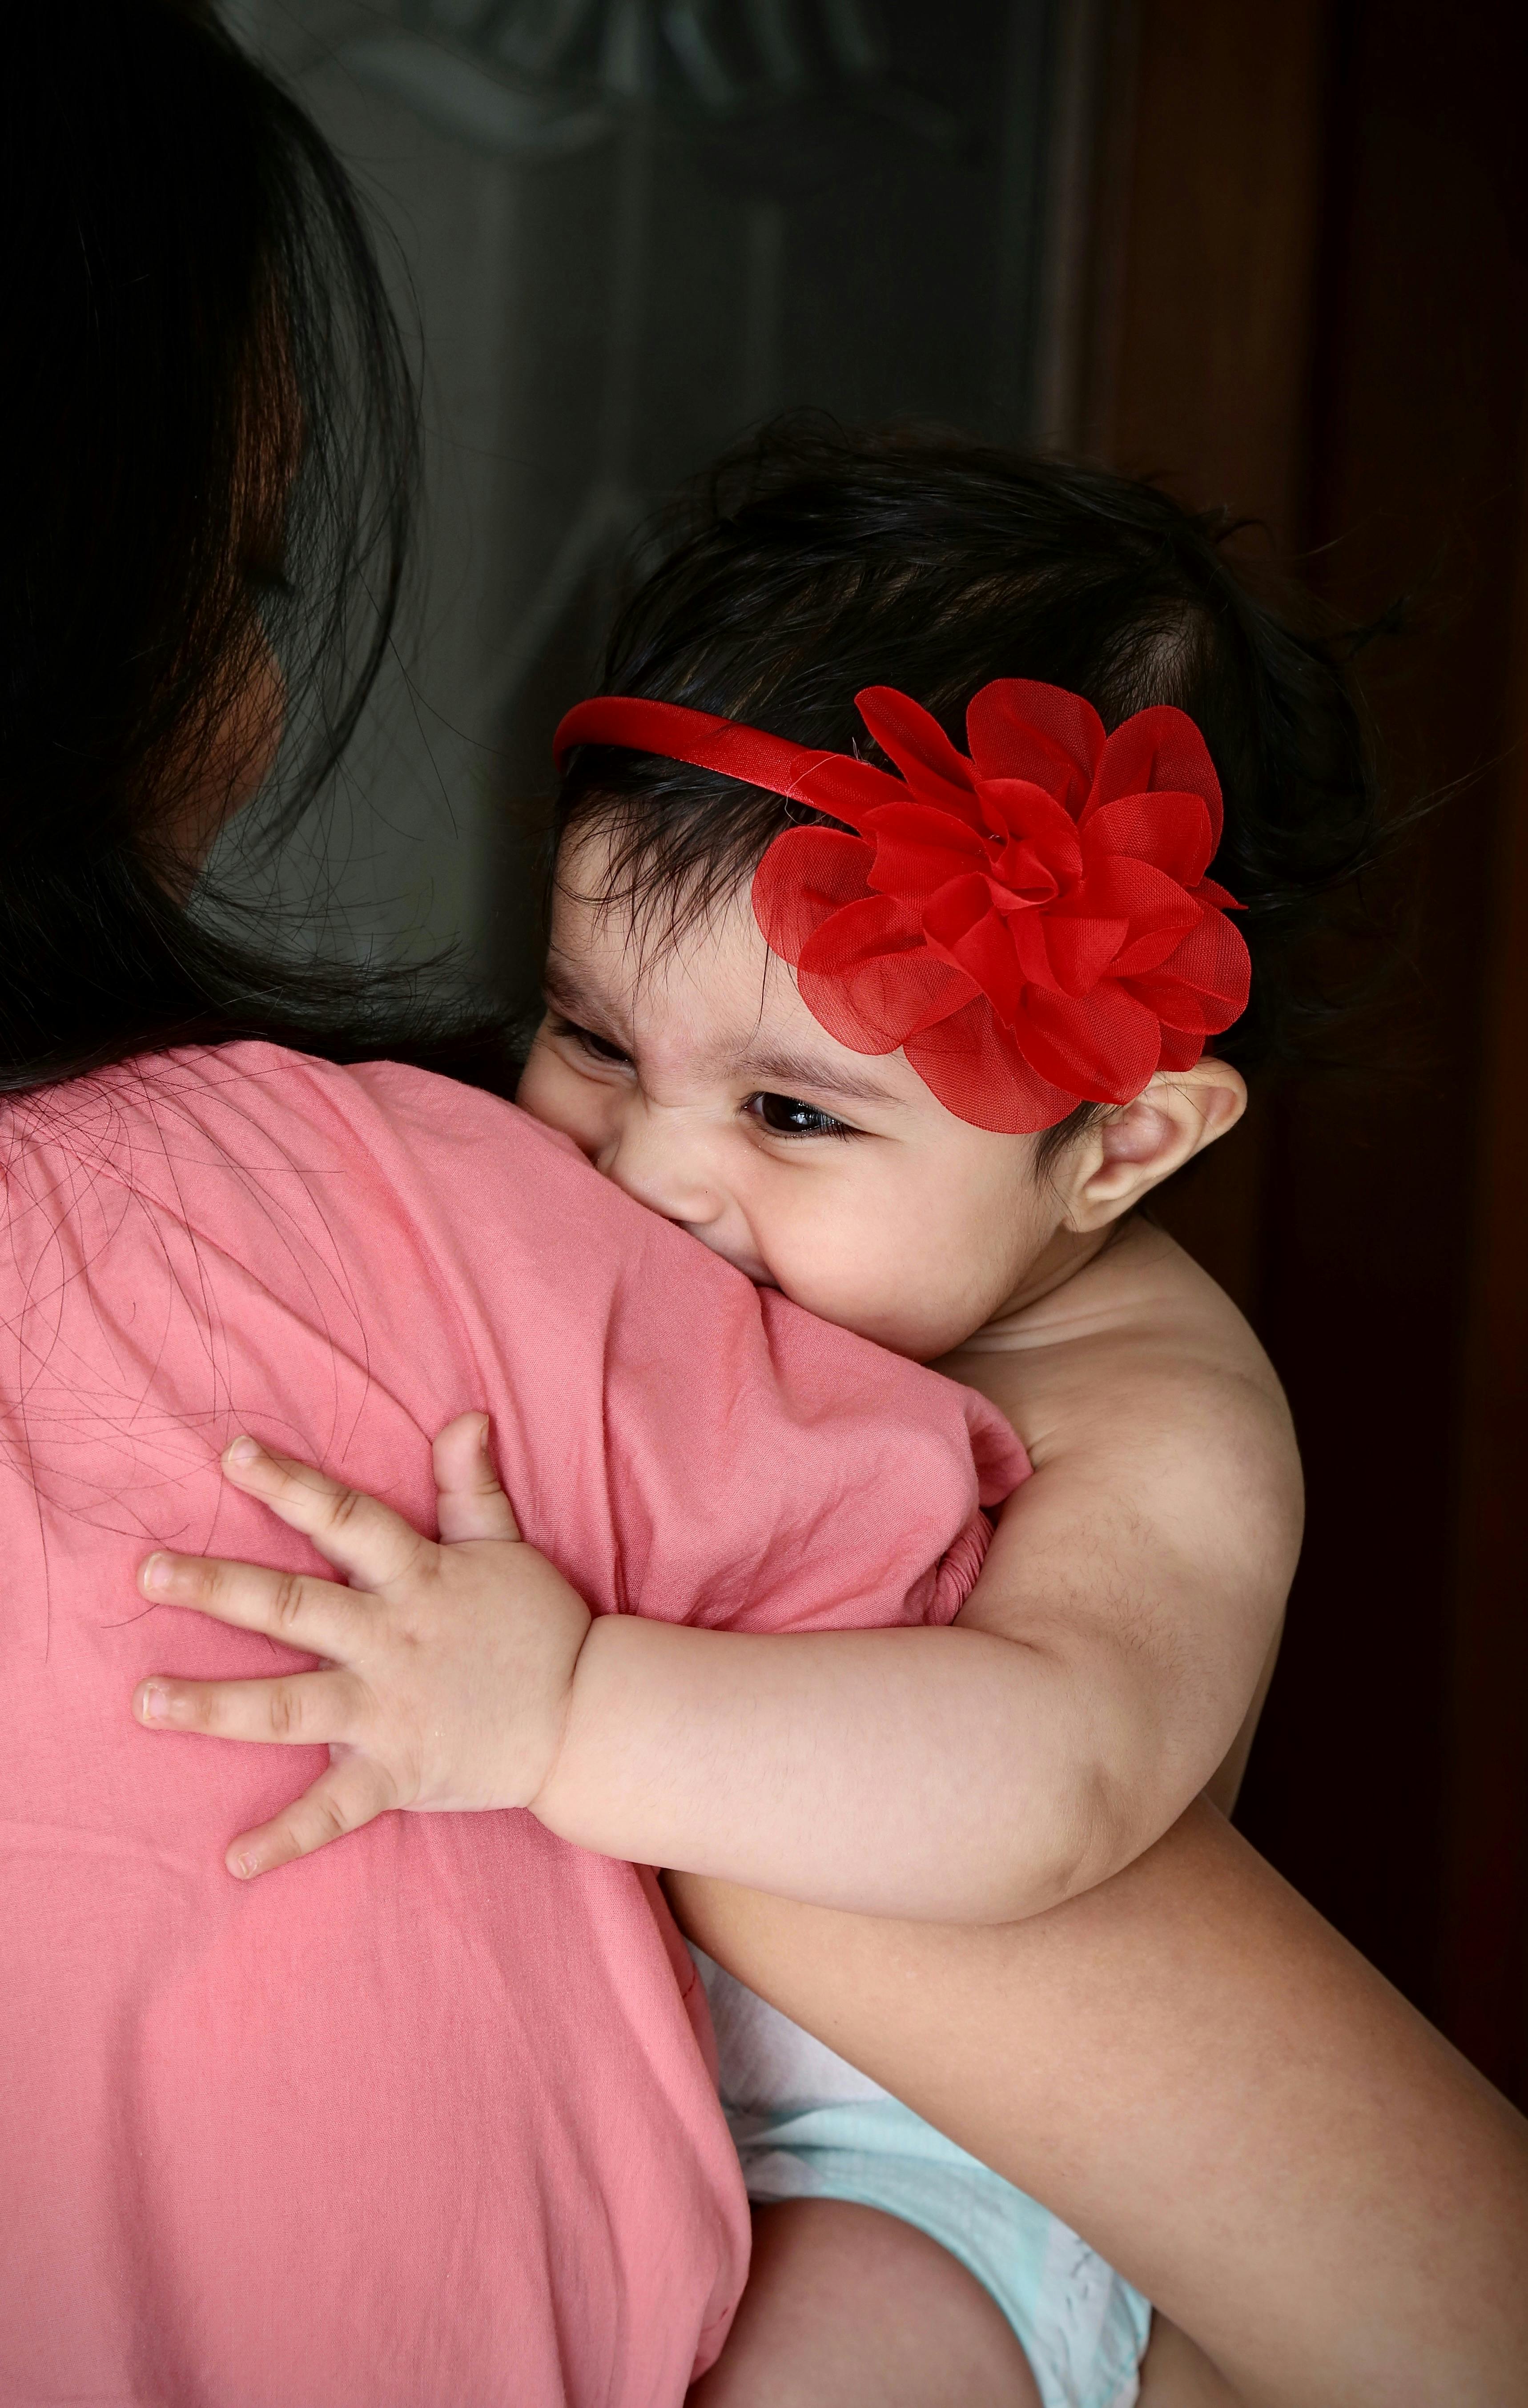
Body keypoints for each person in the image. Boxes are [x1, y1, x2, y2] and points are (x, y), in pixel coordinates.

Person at [8, 7, 1527, 2405]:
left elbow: (1054, 1780)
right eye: (595, 1038)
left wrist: (575, 1702)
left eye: (800, 1118)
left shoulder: (1162, 1403)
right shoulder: (420, 1244)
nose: (653, 1170)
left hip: (941, 2188)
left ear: (1121, 1146)